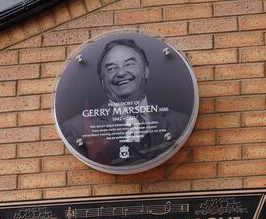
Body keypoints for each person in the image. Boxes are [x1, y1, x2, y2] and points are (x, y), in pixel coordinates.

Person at [58, 38, 192, 168]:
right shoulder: (77, 129)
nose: (121, 73)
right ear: (102, 81)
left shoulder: (180, 122)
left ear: (146, 71)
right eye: (111, 68)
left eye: (129, 64)